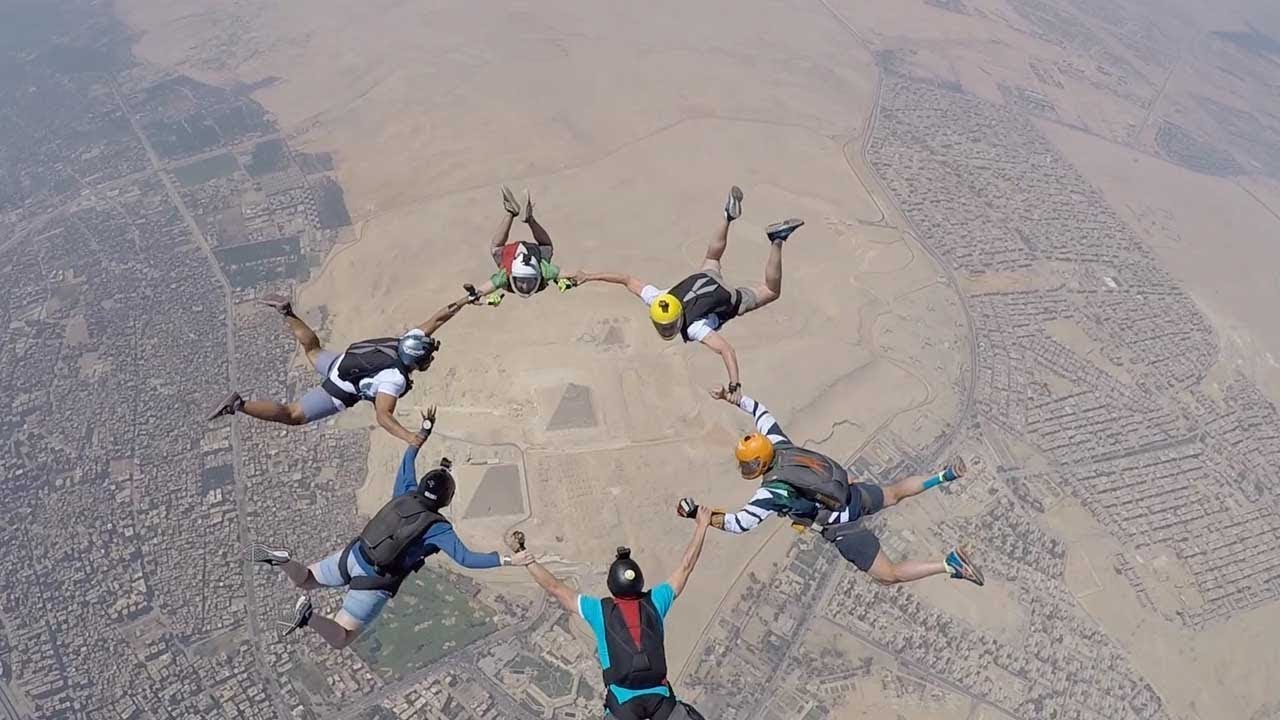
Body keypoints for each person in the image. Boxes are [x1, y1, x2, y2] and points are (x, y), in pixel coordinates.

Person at [248, 409, 519, 649]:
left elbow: (408, 458)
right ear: (448, 500)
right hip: (375, 581)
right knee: (342, 637)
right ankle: (308, 618)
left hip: (354, 555)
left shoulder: (405, 491)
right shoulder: (438, 529)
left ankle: (283, 561)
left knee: (305, 578)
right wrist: (509, 559)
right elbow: (467, 559)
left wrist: (424, 431)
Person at [679, 387, 985, 587]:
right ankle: (944, 476)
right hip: (850, 493)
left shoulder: (770, 492)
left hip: (841, 525)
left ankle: (949, 564)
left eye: (748, 464)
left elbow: (740, 524)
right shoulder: (779, 444)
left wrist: (701, 517)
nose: (747, 469)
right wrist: (734, 398)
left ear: (759, 462)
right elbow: (761, 411)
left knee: (888, 576)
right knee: (893, 493)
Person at [572, 186, 803, 400]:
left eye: (668, 326)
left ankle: (777, 240)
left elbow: (726, 350)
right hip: (706, 278)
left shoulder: (694, 328)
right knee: (712, 258)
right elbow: (626, 279)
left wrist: (735, 386)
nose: (667, 330)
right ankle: (727, 216)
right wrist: (588, 276)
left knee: (771, 291)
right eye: (664, 327)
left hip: (731, 298)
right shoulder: (657, 299)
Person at [509, 508, 713, 720]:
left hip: (622, 702)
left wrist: (525, 557)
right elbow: (686, 566)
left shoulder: (600, 611)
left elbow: (555, 587)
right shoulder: (656, 600)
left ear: (611, 585)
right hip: (659, 696)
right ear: (639, 581)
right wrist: (701, 526)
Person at [207, 293, 469, 445]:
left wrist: (466, 300)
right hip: (341, 388)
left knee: (312, 350)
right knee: (293, 414)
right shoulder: (394, 379)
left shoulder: (407, 339)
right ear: (415, 361)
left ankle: (287, 312)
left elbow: (437, 318)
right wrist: (410, 437)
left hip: (342, 362)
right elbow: (383, 416)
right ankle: (238, 404)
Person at [462, 185, 577, 306]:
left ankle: (511, 213)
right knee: (546, 246)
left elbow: (489, 286)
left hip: (522, 254)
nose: (525, 286)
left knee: (496, 248)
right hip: (529, 253)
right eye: (522, 281)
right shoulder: (545, 271)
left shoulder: (506, 276)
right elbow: (565, 274)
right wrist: (575, 278)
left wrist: (477, 294)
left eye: (529, 282)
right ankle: (528, 218)